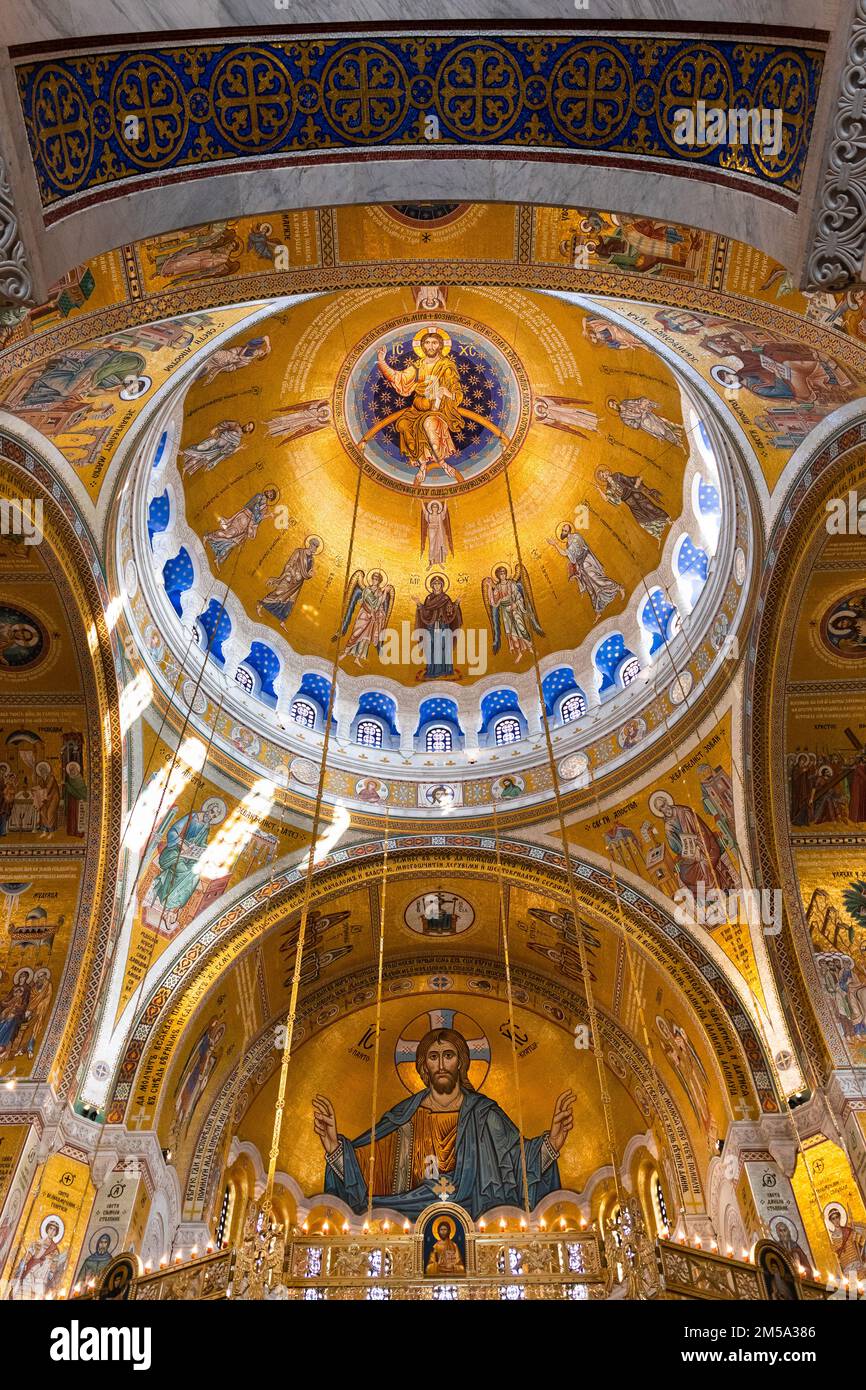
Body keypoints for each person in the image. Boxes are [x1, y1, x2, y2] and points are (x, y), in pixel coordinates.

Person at [313, 1027, 574, 1219]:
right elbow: (366, 1167)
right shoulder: (405, 1116)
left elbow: (517, 1161)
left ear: (460, 1061)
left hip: (480, 1212)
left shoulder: (484, 1113)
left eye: (448, 1055)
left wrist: (552, 1143)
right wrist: (335, 1147)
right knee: (380, 1213)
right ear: (423, 1065)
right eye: (433, 1057)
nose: (441, 1064)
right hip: (410, 1211)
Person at [376, 330, 465, 486]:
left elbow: (457, 391)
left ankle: (443, 463)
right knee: (403, 424)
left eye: (434, 342)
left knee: (429, 424)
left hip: (439, 410)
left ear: (440, 345)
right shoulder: (418, 367)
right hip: (416, 411)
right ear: (422, 346)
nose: (431, 346)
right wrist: (382, 362)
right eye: (427, 343)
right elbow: (399, 378)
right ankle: (422, 463)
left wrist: (448, 393)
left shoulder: (446, 367)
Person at [548, 523, 624, 617]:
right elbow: (571, 557)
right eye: (563, 530)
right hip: (581, 566)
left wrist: (555, 544)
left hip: (586, 561)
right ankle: (598, 611)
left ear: (569, 532)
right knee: (590, 587)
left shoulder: (576, 537)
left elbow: (567, 553)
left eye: (565, 530)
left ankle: (618, 587)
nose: (563, 532)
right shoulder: (568, 543)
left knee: (596, 579)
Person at [257, 536, 322, 626]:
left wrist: (309, 575)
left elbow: (307, 574)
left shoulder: (312, 560)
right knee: (279, 592)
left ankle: (282, 620)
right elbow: (290, 563)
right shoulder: (299, 552)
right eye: (314, 546)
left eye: (316, 547)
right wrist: (292, 573)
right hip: (290, 577)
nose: (314, 548)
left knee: (290, 601)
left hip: (298, 583)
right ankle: (261, 605)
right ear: (310, 544)